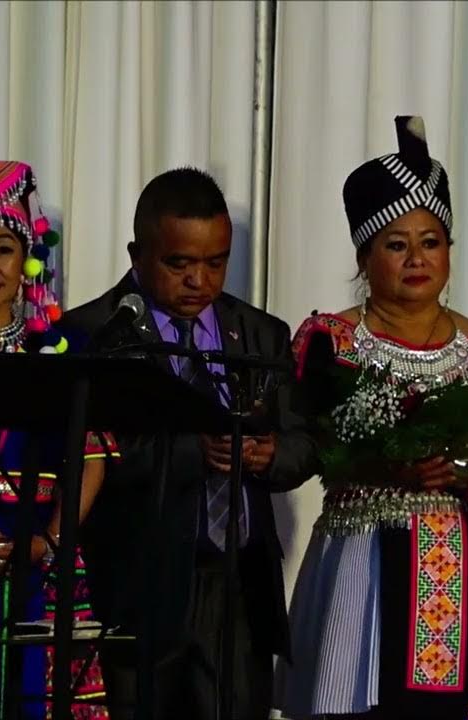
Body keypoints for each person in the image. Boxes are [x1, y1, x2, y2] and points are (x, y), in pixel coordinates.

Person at [273, 116, 468, 720]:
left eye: (431, 242)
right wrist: (385, 466)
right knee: (356, 698)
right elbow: (305, 443)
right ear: (365, 256)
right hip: (361, 562)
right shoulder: (329, 342)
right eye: (396, 244)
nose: (417, 259)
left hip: (467, 565)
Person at [59, 167, 318, 720]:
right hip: (134, 585)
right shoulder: (91, 333)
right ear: (137, 255)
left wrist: (270, 454)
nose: (199, 280)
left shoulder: (260, 333)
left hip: (239, 589)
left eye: (215, 262)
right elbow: (83, 459)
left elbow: (305, 442)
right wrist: (191, 453)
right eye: (178, 264)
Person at [0, 160, 113, 719]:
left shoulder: (59, 350)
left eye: (5, 248)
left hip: (39, 561)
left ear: (28, 258)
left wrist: (50, 543)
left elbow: (90, 460)